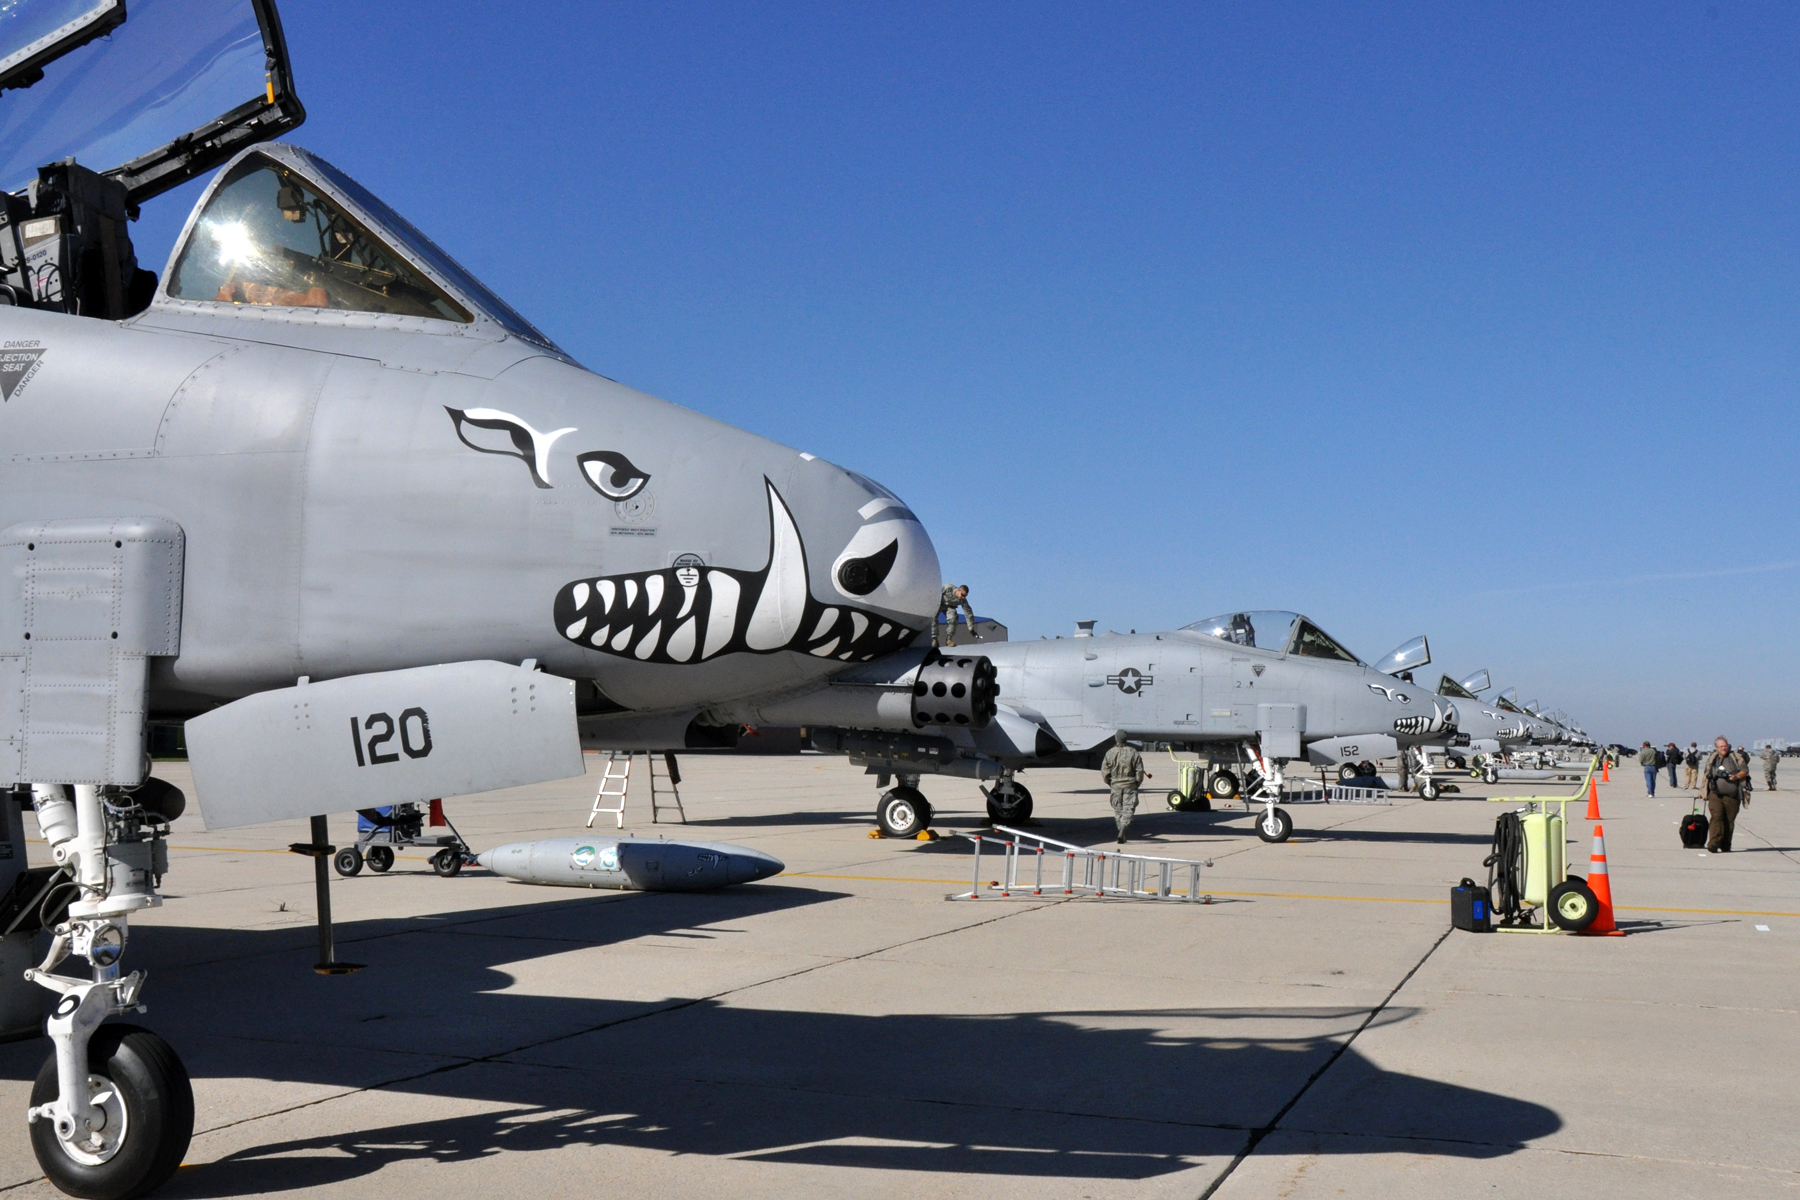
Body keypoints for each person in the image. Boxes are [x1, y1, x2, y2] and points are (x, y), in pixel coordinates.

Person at [1698, 736, 1750, 853]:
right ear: (1716, 747)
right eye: (1721, 746)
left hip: (1732, 795)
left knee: (1729, 821)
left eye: (1725, 746)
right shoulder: (1713, 758)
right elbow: (1706, 774)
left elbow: (1745, 771)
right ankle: (1713, 844)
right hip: (1715, 794)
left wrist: (1736, 776)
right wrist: (1702, 789)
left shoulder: (1736, 757)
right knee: (1716, 817)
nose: (1723, 748)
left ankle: (1725, 844)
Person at [1100, 731, 1146, 844]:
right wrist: (1137, 783)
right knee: (1128, 808)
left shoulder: (1110, 753)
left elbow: (1105, 771)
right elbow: (1139, 770)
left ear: (1116, 739)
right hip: (1130, 784)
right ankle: (1123, 829)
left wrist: (1110, 782)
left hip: (1116, 784)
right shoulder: (1133, 752)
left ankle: (1121, 829)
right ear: (1126, 739)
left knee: (1118, 809)